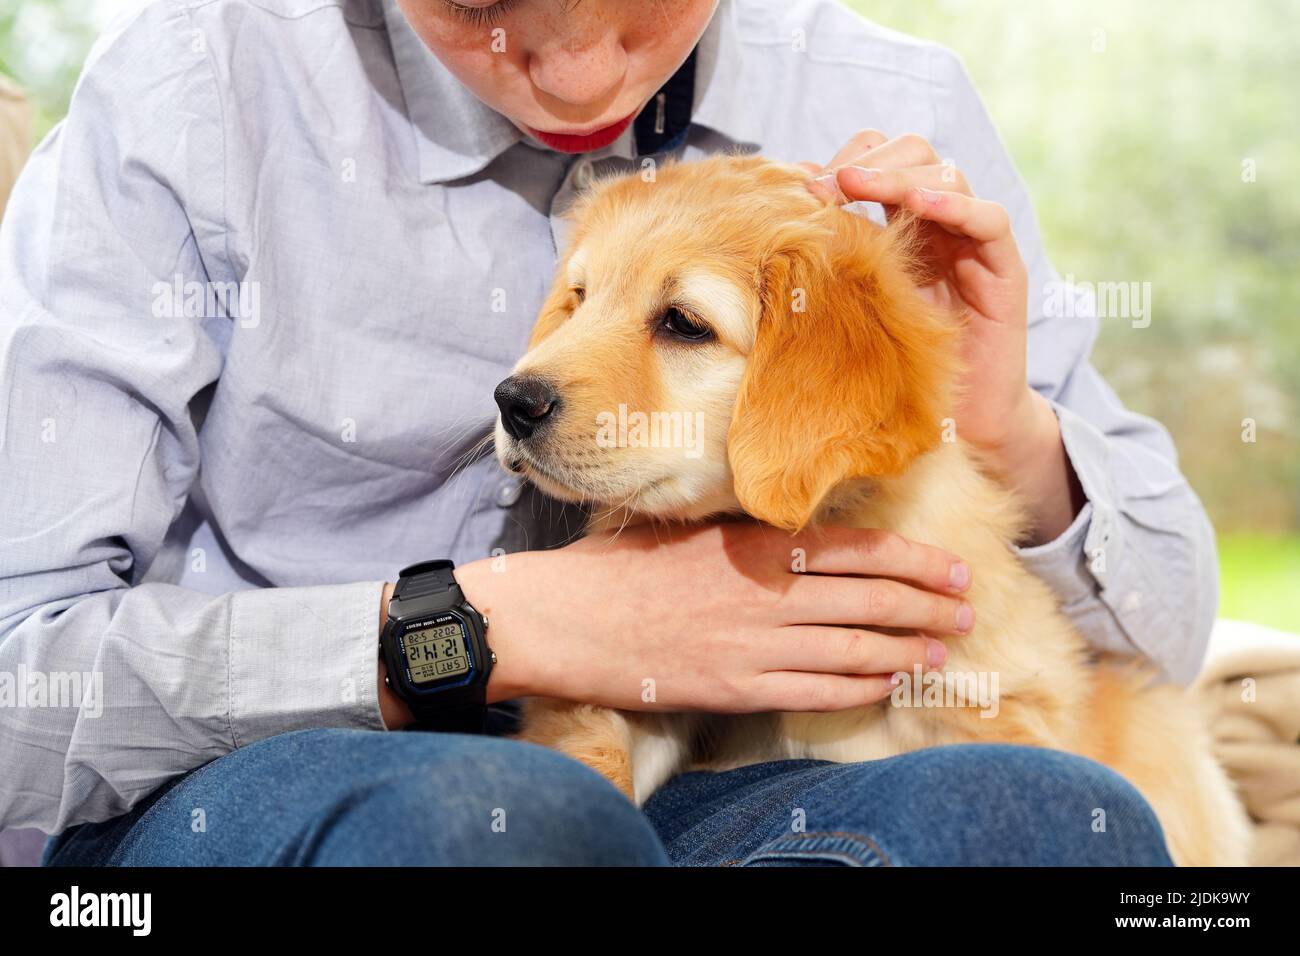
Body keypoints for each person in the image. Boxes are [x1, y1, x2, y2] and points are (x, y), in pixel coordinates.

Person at [0, 0, 1211, 866]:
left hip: (715, 788)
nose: (578, 79)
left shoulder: (894, 100)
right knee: (497, 818)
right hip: (283, 780)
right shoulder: (190, 94)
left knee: (1036, 814)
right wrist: (482, 629)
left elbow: (1169, 619)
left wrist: (994, 414)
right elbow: (18, 689)